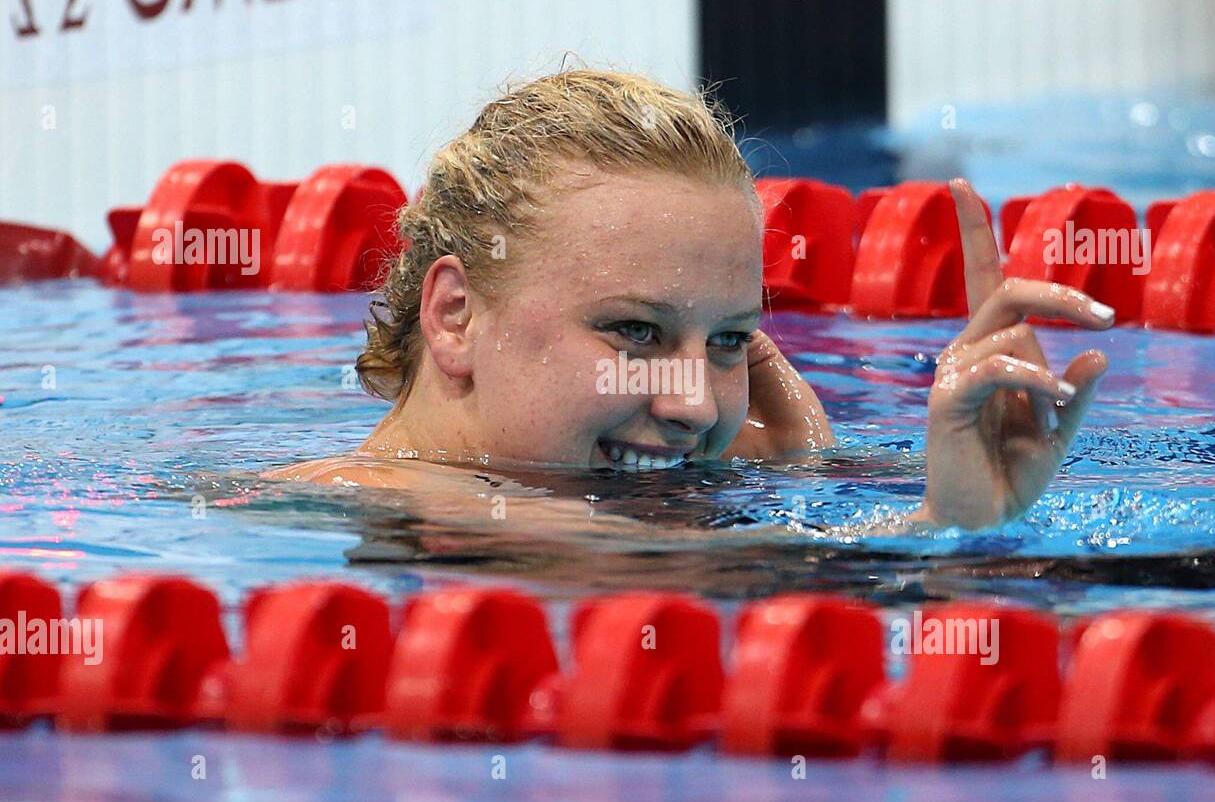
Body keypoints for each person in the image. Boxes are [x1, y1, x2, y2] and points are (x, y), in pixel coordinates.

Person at [266, 69, 1113, 534]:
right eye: (635, 331)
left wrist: (815, 469)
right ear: (456, 317)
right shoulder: (352, 497)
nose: (695, 404)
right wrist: (936, 533)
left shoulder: (671, 492)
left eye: (728, 340)